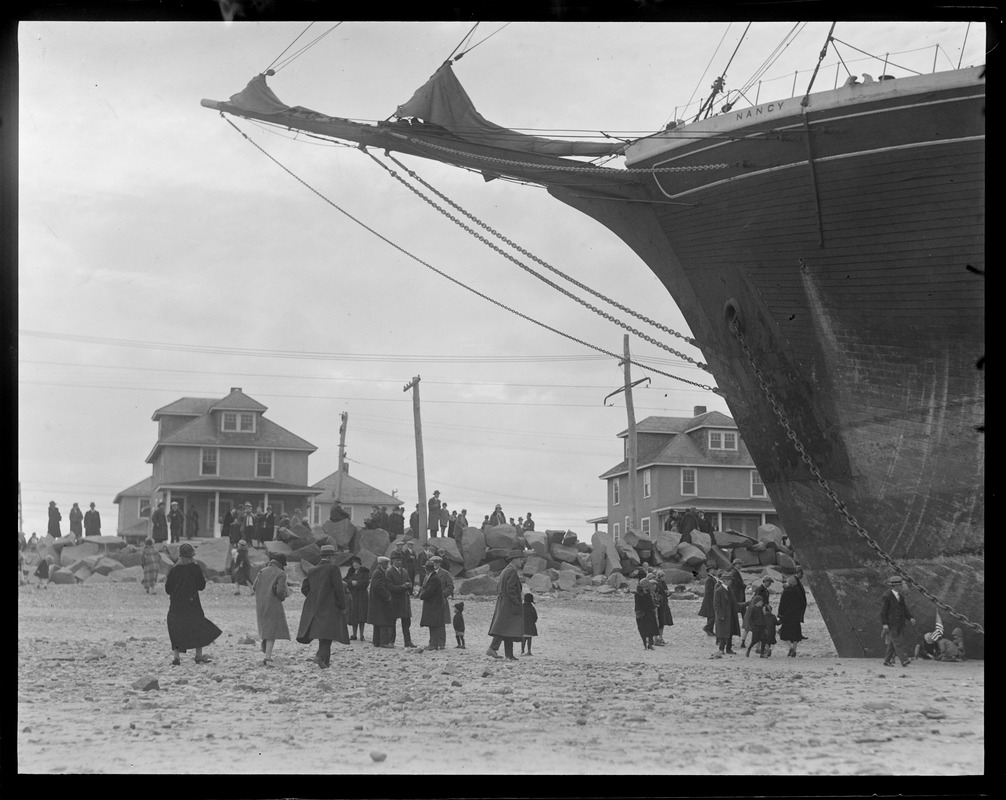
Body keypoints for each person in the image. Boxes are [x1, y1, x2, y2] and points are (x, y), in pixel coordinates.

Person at [165, 542, 222, 666]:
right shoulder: (195, 568)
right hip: (192, 604)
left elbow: (168, 589)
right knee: (198, 627)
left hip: (176, 604)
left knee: (176, 628)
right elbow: (201, 586)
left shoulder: (174, 570)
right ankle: (198, 655)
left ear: (179, 556)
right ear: (192, 556)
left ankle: (176, 657)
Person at [296, 545, 350, 668]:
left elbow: (304, 588)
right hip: (330, 606)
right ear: (330, 556)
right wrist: (342, 605)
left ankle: (325, 662)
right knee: (328, 633)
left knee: (323, 633)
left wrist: (314, 598)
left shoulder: (312, 570)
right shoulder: (333, 568)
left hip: (315, 607)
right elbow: (338, 589)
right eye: (334, 557)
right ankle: (319, 657)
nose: (335, 559)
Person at [487, 551, 526, 661]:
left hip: (503, 601)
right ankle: (492, 648)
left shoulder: (505, 570)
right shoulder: (512, 571)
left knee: (507, 628)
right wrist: (517, 602)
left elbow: (499, 587)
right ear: (514, 559)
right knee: (504, 627)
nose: (521, 561)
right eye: (519, 559)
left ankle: (509, 654)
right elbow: (511, 589)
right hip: (508, 603)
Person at [253, 552, 290, 666]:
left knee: (266, 628)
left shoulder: (262, 571)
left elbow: (254, 587)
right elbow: (280, 592)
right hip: (273, 604)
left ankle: (266, 651)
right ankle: (267, 657)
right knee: (272, 631)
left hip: (261, 604)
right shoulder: (281, 573)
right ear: (281, 563)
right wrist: (283, 596)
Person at [879, 575, 914, 667]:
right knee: (897, 642)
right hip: (891, 624)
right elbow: (883, 611)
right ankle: (904, 660)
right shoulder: (887, 596)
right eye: (899, 585)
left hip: (900, 623)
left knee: (892, 643)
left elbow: (904, 609)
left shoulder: (900, 597)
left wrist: (910, 617)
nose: (901, 587)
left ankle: (886, 661)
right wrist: (885, 624)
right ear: (894, 586)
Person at [388, 551, 416, 648]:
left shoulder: (404, 571)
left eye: (400, 560)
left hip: (404, 600)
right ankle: (391, 641)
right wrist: (403, 587)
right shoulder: (389, 572)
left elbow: (409, 581)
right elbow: (390, 587)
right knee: (392, 622)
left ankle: (408, 642)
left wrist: (409, 586)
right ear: (392, 561)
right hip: (394, 600)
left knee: (406, 623)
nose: (399, 562)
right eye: (397, 560)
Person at [367, 556, 396, 648]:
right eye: (386, 563)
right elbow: (379, 587)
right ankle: (383, 642)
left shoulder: (377, 572)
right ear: (381, 564)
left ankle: (376, 641)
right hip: (380, 602)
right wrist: (387, 596)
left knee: (378, 623)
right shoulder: (379, 573)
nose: (387, 565)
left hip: (376, 602)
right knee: (383, 622)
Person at [778, 575, 808, 658]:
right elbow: (803, 603)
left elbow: (782, 604)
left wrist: (780, 614)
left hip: (787, 615)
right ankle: (794, 649)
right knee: (796, 633)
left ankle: (790, 648)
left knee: (784, 632)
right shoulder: (799, 591)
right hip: (796, 615)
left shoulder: (787, 591)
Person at [419, 560, 446, 649]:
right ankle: (433, 643)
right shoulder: (435, 577)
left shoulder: (433, 578)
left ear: (426, 570)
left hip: (434, 606)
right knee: (433, 625)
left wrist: (421, 595)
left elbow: (428, 592)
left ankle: (433, 644)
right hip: (435, 605)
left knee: (433, 625)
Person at [344, 556, 370, 642]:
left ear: (360, 564)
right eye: (353, 564)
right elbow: (345, 581)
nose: (355, 565)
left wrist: (357, 583)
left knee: (361, 615)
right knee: (353, 615)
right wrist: (351, 583)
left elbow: (366, 582)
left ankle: (362, 635)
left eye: (356, 564)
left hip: (362, 596)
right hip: (353, 596)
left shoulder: (364, 572)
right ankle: (354, 634)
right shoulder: (350, 572)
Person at [713, 570, 739, 655]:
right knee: (723, 633)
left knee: (730, 632)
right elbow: (716, 605)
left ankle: (728, 649)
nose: (731, 581)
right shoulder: (719, 591)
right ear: (726, 581)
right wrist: (720, 615)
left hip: (730, 614)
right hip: (723, 616)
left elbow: (733, 603)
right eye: (730, 580)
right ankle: (721, 649)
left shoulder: (729, 590)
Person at [634, 578, 659, 650]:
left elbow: (651, 603)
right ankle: (646, 645)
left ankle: (649, 645)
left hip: (648, 614)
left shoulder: (645, 594)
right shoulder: (639, 595)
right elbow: (638, 605)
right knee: (644, 630)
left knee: (650, 630)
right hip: (644, 614)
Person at [653, 570, 674, 646]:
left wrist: (668, 593)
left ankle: (661, 637)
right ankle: (657, 638)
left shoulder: (663, 583)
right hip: (660, 605)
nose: (663, 577)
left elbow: (666, 592)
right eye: (661, 576)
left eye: (663, 576)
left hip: (664, 604)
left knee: (662, 622)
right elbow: (657, 594)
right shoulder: (657, 584)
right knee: (660, 622)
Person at [698, 569, 718, 636]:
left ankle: (710, 630)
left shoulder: (711, 578)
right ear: (710, 571)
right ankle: (707, 628)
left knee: (710, 616)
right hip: (710, 600)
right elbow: (709, 591)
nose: (715, 571)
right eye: (714, 570)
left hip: (709, 600)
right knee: (713, 615)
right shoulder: (710, 579)